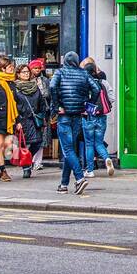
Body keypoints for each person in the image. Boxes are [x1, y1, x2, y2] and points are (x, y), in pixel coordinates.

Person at [48, 52, 98, 196]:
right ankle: (63, 184)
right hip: (77, 115)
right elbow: (96, 89)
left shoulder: (60, 72)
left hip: (64, 115)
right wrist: (88, 106)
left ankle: (79, 178)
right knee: (70, 150)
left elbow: (52, 87)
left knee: (68, 150)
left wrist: (57, 106)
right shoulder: (84, 74)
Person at [80, 57, 115, 177]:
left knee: (89, 143)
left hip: (88, 117)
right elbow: (112, 98)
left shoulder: (83, 83)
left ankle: (89, 170)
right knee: (99, 142)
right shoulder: (103, 82)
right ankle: (106, 159)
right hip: (101, 117)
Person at [14, 64, 46, 179]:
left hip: (35, 119)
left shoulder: (35, 86)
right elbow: (13, 106)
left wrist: (42, 115)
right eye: (23, 72)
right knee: (24, 144)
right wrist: (17, 121)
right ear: (18, 74)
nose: (26, 74)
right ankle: (26, 168)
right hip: (23, 119)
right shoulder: (15, 88)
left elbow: (42, 102)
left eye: (27, 72)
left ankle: (27, 161)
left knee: (38, 142)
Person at [28, 58, 53, 170]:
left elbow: (49, 94)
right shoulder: (26, 80)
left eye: (39, 68)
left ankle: (37, 161)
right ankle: (28, 160)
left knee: (41, 138)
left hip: (42, 112)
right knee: (30, 138)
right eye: (35, 68)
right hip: (29, 112)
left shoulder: (45, 80)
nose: (37, 70)